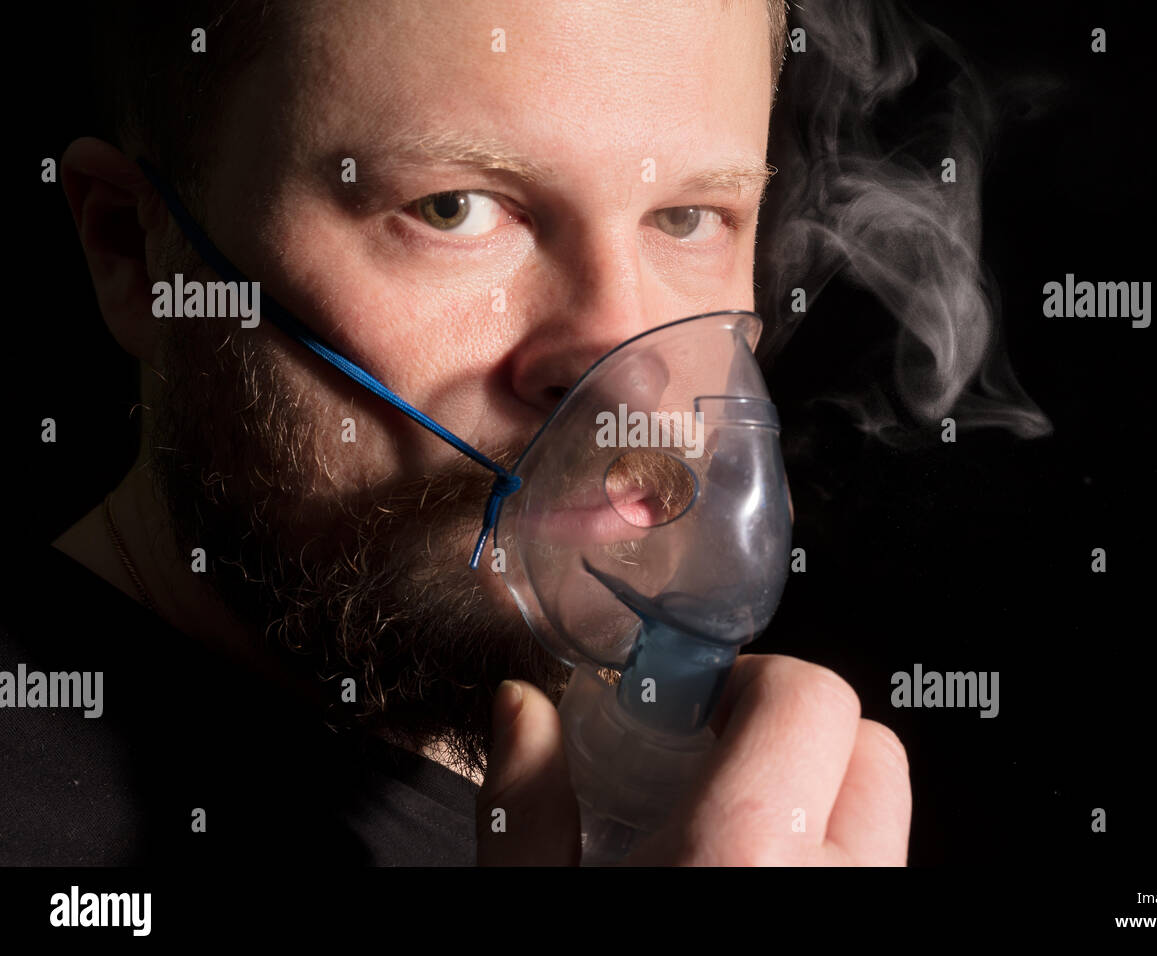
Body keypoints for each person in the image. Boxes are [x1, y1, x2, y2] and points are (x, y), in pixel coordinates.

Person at [1, 0, 911, 866]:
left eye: (687, 217)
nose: (630, 377)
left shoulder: (719, 820)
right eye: (454, 208)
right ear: (136, 254)